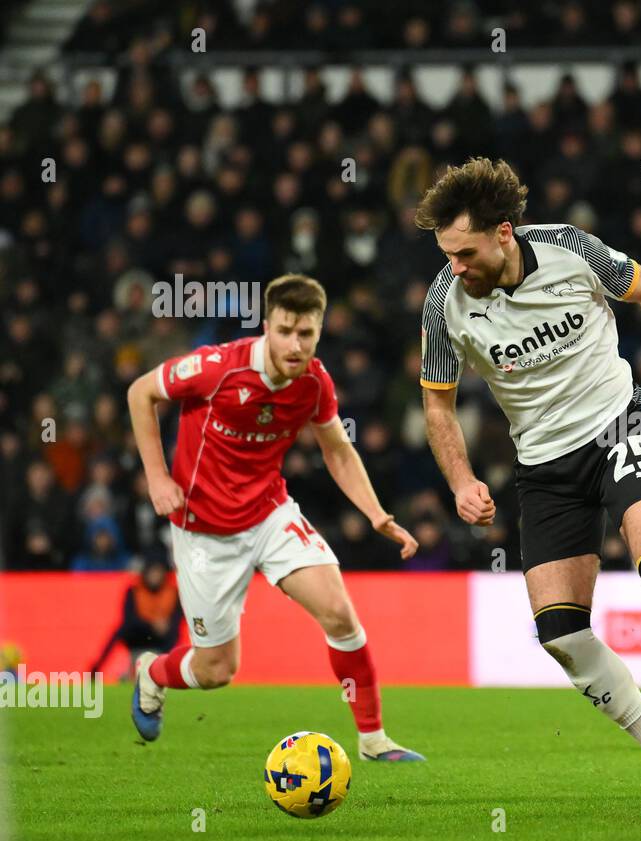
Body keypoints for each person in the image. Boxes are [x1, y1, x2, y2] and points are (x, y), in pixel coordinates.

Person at [416, 157, 641, 825]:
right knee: (560, 633)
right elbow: (439, 406)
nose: (457, 266)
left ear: (504, 233)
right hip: (544, 468)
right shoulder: (445, 302)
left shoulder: (569, 249)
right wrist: (461, 479)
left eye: (465, 252)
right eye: (448, 254)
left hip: (621, 424)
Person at [125, 274, 423, 761]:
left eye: (306, 333)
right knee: (217, 670)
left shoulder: (314, 383)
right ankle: (152, 672)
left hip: (268, 514)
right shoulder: (217, 367)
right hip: (204, 530)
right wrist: (157, 478)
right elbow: (141, 392)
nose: (295, 343)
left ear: (319, 333)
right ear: (267, 326)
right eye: (285, 330)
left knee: (340, 613)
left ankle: (373, 740)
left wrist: (376, 514)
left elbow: (338, 450)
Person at [87, 550, 182, 680]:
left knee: (175, 634)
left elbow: (177, 620)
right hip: (139, 635)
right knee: (120, 630)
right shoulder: (134, 591)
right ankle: (95, 670)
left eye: (159, 572)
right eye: (152, 572)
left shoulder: (173, 593)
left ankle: (169, 672)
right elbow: (129, 619)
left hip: (163, 638)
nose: (155, 576)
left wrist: (165, 626)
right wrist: (152, 625)